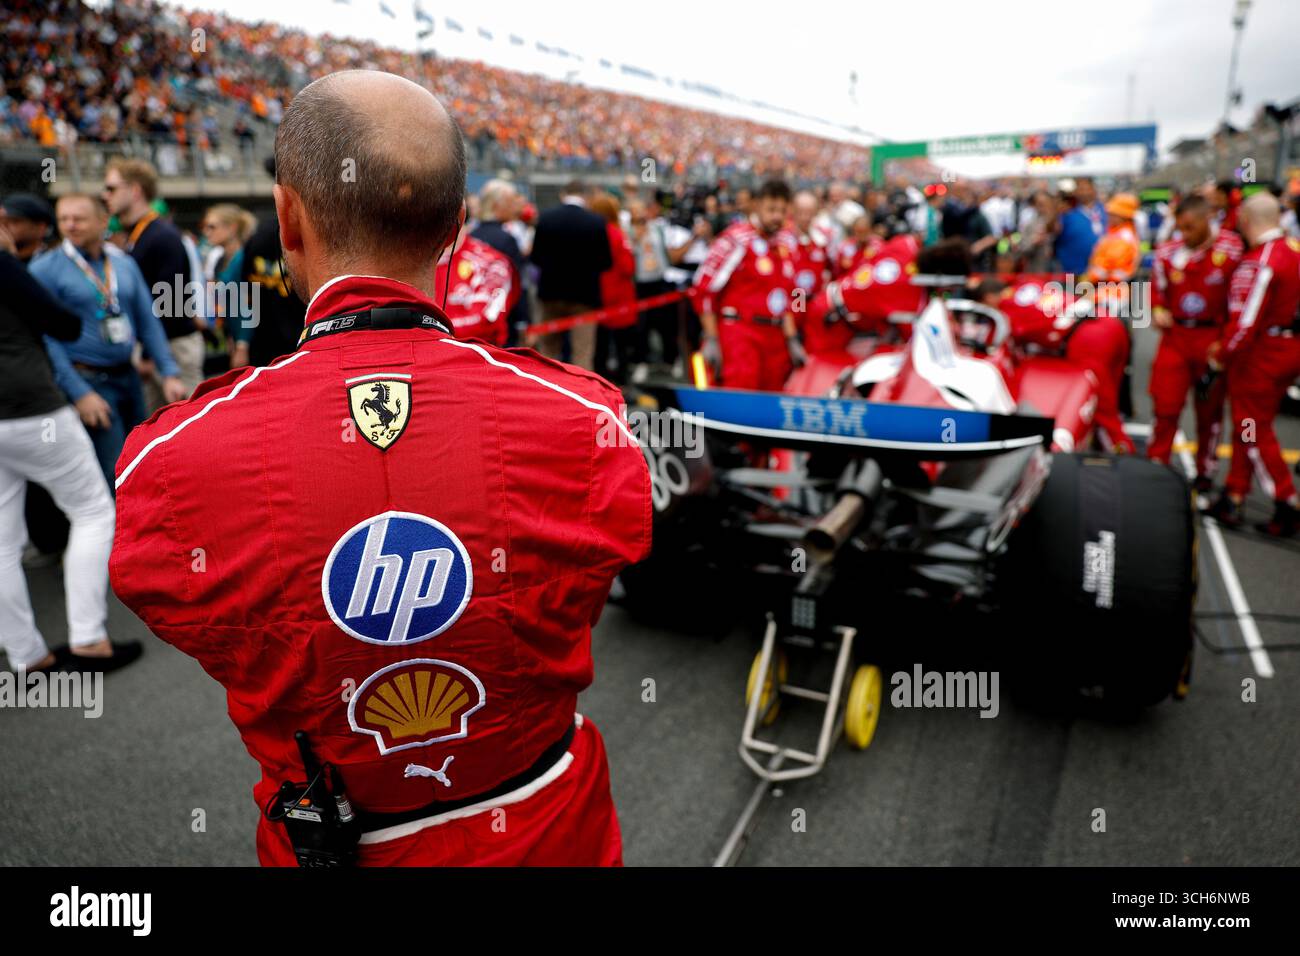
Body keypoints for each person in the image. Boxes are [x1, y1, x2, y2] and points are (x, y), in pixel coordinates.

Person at [110, 70, 650, 867]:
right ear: (456, 228)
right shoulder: (588, 419)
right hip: (550, 825)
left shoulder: (170, 457)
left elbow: (180, 605)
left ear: (286, 217)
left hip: (332, 841)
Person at [0, 226, 132, 673]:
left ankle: (27, 655)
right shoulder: (4, 265)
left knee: (3, 543)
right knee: (93, 512)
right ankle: (89, 638)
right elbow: (63, 323)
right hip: (31, 407)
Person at [29, 194, 184, 488]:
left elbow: (147, 320)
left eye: (79, 219)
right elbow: (44, 339)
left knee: (143, 460)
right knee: (115, 472)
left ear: (103, 221)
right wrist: (79, 392)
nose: (70, 225)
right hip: (89, 382)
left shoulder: (123, 263)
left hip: (129, 377)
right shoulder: (45, 269)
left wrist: (169, 372)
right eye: (63, 219)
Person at [1202, 193, 1300, 536]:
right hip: (1288, 350)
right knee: (1250, 424)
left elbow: (1244, 323)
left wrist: (1220, 356)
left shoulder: (1260, 261)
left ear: (1244, 220)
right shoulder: (1294, 250)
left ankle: (1286, 500)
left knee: (1252, 428)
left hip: (1262, 356)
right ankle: (1235, 493)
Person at [1147, 195, 1244, 487]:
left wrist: (1226, 341)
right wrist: (1156, 309)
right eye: (1180, 228)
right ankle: (1156, 464)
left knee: (1209, 412)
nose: (1184, 234)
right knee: (1165, 406)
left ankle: (1205, 471)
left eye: (1190, 227)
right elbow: (1151, 290)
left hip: (1212, 339)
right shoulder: (1167, 252)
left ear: (1207, 219)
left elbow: (1243, 297)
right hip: (1175, 337)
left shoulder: (1232, 249)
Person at [101, 158, 204, 400]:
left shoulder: (160, 236)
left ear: (135, 190)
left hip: (172, 348)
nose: (105, 195)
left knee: (188, 420)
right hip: (158, 347)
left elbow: (171, 303)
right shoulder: (141, 234)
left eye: (111, 188)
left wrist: (149, 353)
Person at [692, 179, 804, 390]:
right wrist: (711, 337)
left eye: (782, 210)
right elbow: (703, 288)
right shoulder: (736, 238)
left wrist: (793, 338)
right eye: (771, 209)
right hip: (741, 334)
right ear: (756, 205)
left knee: (772, 401)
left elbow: (795, 293)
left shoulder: (788, 242)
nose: (777, 216)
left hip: (776, 339)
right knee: (741, 396)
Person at [528, 179, 613, 371]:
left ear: (563, 194)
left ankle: (544, 388)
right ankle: (581, 390)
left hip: (551, 294)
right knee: (582, 354)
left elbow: (536, 258)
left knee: (547, 353)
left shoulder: (546, 218)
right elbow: (606, 262)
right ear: (585, 196)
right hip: (585, 297)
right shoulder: (596, 222)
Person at [434, 211, 518, 346]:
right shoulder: (412, 262)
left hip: (476, 354)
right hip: (425, 351)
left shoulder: (493, 264)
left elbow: (488, 319)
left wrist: (428, 330)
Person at [470, 179, 530, 344]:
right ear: (497, 205)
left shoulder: (472, 235)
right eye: (510, 203)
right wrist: (523, 320)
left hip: (475, 316)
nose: (515, 208)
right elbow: (517, 284)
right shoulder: (506, 239)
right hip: (503, 319)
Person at [588, 192, 638, 382]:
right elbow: (628, 267)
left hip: (599, 293)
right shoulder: (617, 233)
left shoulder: (593, 233)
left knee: (599, 344)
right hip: (619, 294)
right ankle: (621, 379)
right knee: (620, 344)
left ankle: (601, 378)